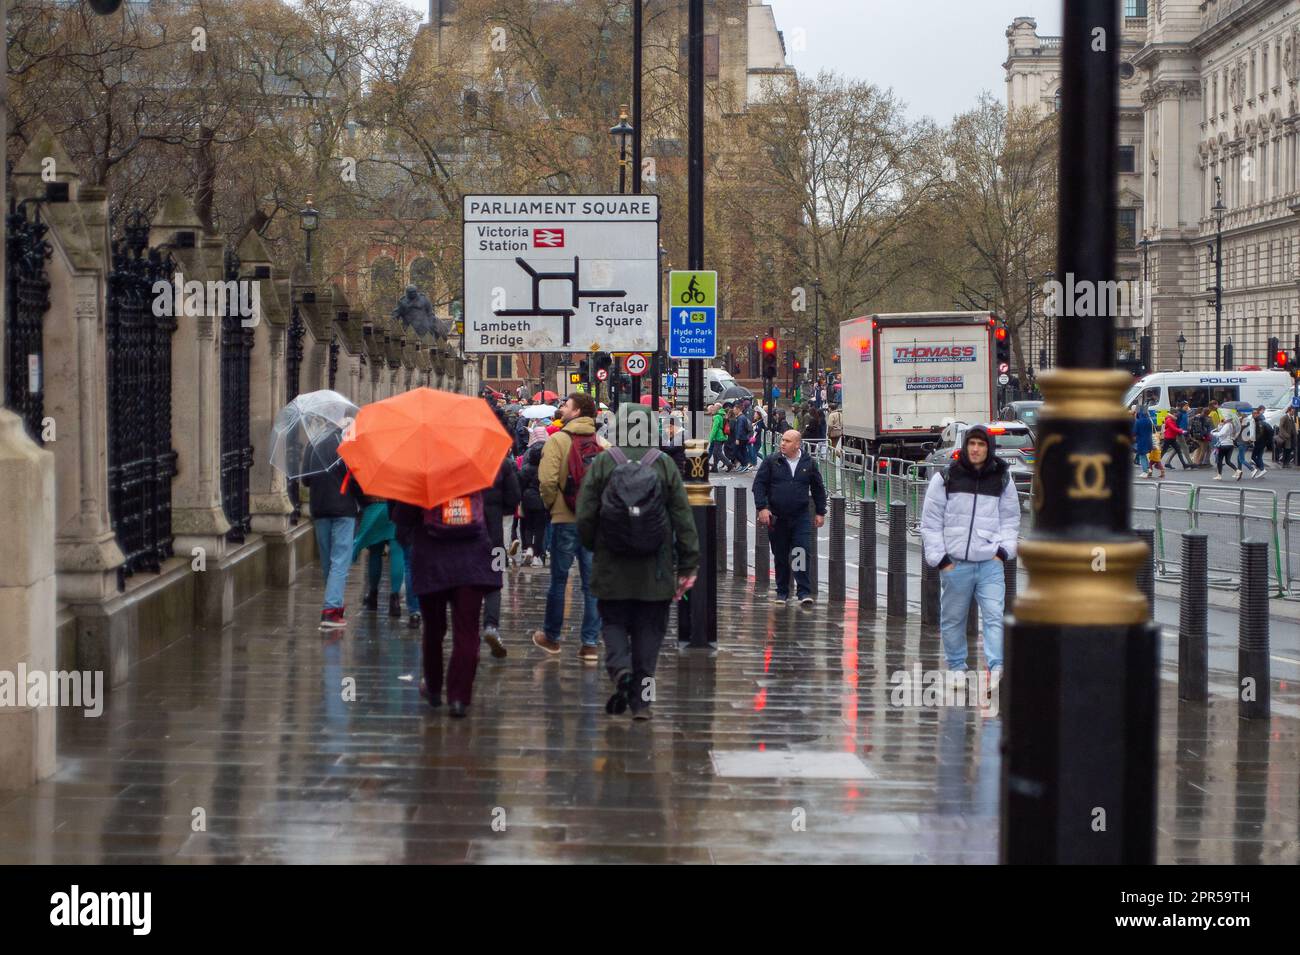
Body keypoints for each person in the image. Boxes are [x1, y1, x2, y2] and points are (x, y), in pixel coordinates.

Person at [576, 404, 700, 721]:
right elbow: (683, 517)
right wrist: (688, 562)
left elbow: (586, 514)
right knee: (650, 633)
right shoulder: (664, 465)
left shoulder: (605, 463)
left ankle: (620, 670)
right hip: (654, 570)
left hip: (612, 565)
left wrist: (594, 545)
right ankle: (642, 702)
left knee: (613, 624)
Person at [919, 425, 1021, 673]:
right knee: (953, 620)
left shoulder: (1002, 479)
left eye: (981, 444)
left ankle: (997, 667)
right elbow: (930, 522)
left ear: (989, 448)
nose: (976, 449)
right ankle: (956, 667)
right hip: (956, 563)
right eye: (971, 444)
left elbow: (1010, 519)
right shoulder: (946, 477)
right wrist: (942, 560)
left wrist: (1003, 553)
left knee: (994, 617)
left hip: (990, 563)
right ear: (965, 447)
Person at [532, 392, 608, 663]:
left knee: (559, 581)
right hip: (593, 523)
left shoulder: (558, 441)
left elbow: (547, 481)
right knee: (591, 585)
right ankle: (589, 644)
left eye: (566, 405)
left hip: (564, 521)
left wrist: (555, 507)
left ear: (576, 412)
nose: (562, 408)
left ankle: (552, 637)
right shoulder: (603, 444)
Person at [752, 429, 827, 606]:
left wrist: (820, 512)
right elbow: (759, 485)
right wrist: (762, 508)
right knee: (780, 554)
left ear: (797, 444)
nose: (782, 443)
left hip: (800, 516)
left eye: (787, 441)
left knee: (800, 551)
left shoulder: (808, 463)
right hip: (777, 517)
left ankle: (803, 592)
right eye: (782, 440)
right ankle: (782, 591)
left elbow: (818, 488)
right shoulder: (772, 461)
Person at [301, 432, 366, 630]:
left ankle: (335, 604)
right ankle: (330, 610)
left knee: (328, 560)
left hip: (319, 508)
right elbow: (357, 478)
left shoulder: (313, 443)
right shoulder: (346, 444)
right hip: (343, 508)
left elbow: (305, 480)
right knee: (340, 560)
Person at [481, 440, 521, 657]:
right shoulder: (503, 464)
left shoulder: (461, 462)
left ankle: (468, 627)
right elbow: (514, 497)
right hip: (494, 532)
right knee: (494, 579)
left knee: (468, 582)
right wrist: (499, 511)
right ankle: (491, 625)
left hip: (467, 534)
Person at [518, 443, 550, 564]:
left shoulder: (525, 468)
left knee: (528, 527)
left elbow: (520, 484)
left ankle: (529, 548)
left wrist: (520, 498)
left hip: (527, 501)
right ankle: (537, 555)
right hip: (541, 502)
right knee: (540, 529)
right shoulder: (545, 469)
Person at [1211, 413, 1241, 480]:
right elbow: (1222, 430)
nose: (1223, 419)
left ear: (1227, 419)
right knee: (1228, 461)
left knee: (1219, 460)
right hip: (1230, 445)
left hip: (1224, 444)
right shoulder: (1231, 426)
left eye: (1224, 417)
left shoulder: (1227, 425)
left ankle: (1219, 475)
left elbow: (1221, 433)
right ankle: (1237, 470)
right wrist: (1220, 425)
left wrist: (1213, 433)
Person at [1235, 407, 1258, 478]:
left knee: (1241, 459)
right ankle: (1239, 472)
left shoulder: (1242, 424)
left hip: (1242, 442)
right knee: (1238, 457)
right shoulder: (1250, 421)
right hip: (1246, 442)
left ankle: (1252, 469)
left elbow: (1237, 432)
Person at [1249, 406, 1271, 478]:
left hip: (1259, 442)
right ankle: (1260, 469)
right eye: (1253, 413)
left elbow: (1259, 433)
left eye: (1255, 413)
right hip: (1262, 442)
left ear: (1258, 414)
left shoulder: (1259, 422)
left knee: (1254, 457)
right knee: (1258, 457)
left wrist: (1254, 440)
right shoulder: (1258, 420)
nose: (1253, 414)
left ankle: (1262, 469)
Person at [708, 403, 728, 472]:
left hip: (718, 436)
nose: (713, 409)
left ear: (717, 409)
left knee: (718, 452)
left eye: (714, 408)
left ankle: (729, 464)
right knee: (715, 452)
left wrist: (711, 438)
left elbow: (714, 428)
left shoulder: (716, 416)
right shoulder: (722, 414)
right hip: (723, 435)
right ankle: (714, 467)